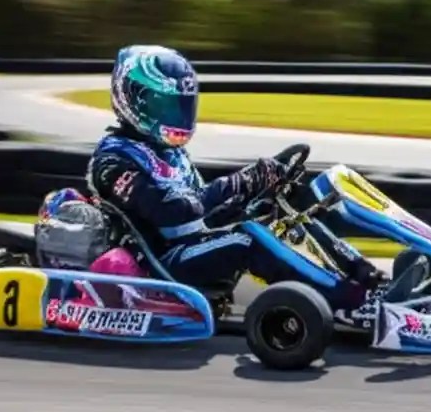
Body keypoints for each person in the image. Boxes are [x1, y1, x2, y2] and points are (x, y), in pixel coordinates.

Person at [74, 44, 386, 326]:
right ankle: (349, 302)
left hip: (189, 245)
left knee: (284, 214)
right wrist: (243, 182)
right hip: (159, 266)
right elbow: (175, 211)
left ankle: (368, 279)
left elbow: (201, 213)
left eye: (180, 106)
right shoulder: (112, 161)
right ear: (133, 99)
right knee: (249, 240)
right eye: (165, 106)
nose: (176, 115)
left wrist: (257, 195)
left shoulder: (168, 152)